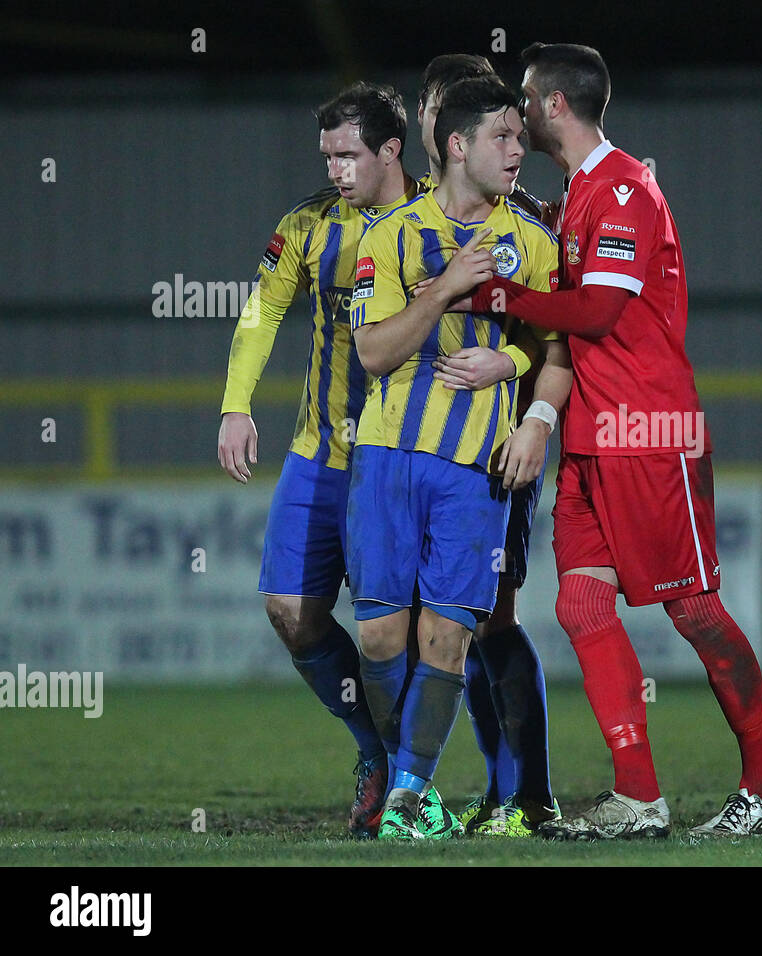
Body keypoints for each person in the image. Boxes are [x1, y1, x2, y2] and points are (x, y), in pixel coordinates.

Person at [467, 41, 762, 838]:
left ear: (555, 105)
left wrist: (497, 291)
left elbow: (598, 315)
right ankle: (639, 797)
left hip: (648, 433)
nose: (517, 112)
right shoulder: (579, 193)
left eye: (525, 98)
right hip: (590, 440)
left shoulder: (626, 189)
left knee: (695, 611)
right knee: (580, 604)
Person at [347, 75, 564, 840]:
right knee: (379, 636)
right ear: (457, 146)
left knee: (451, 633)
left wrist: (527, 402)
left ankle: (411, 794)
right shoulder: (390, 234)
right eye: (504, 136)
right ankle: (404, 768)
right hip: (385, 456)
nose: (520, 148)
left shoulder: (534, 241)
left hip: (477, 466)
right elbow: (373, 352)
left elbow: (562, 349)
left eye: (520, 135)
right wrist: (443, 291)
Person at [217, 81, 422, 838]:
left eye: (348, 156)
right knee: (292, 613)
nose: (335, 170)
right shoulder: (308, 225)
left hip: (403, 457)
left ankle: (453, 785)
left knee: (402, 631)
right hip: (317, 452)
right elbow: (264, 309)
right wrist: (236, 404)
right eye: (327, 155)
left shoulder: (436, 219)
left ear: (391, 150)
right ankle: (377, 754)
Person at [413, 53, 566, 838]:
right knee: (446, 621)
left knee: (490, 617)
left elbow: (560, 344)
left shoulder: (525, 222)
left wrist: (526, 405)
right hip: (416, 457)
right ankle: (494, 790)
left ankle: (529, 795)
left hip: (495, 453)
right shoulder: (413, 216)